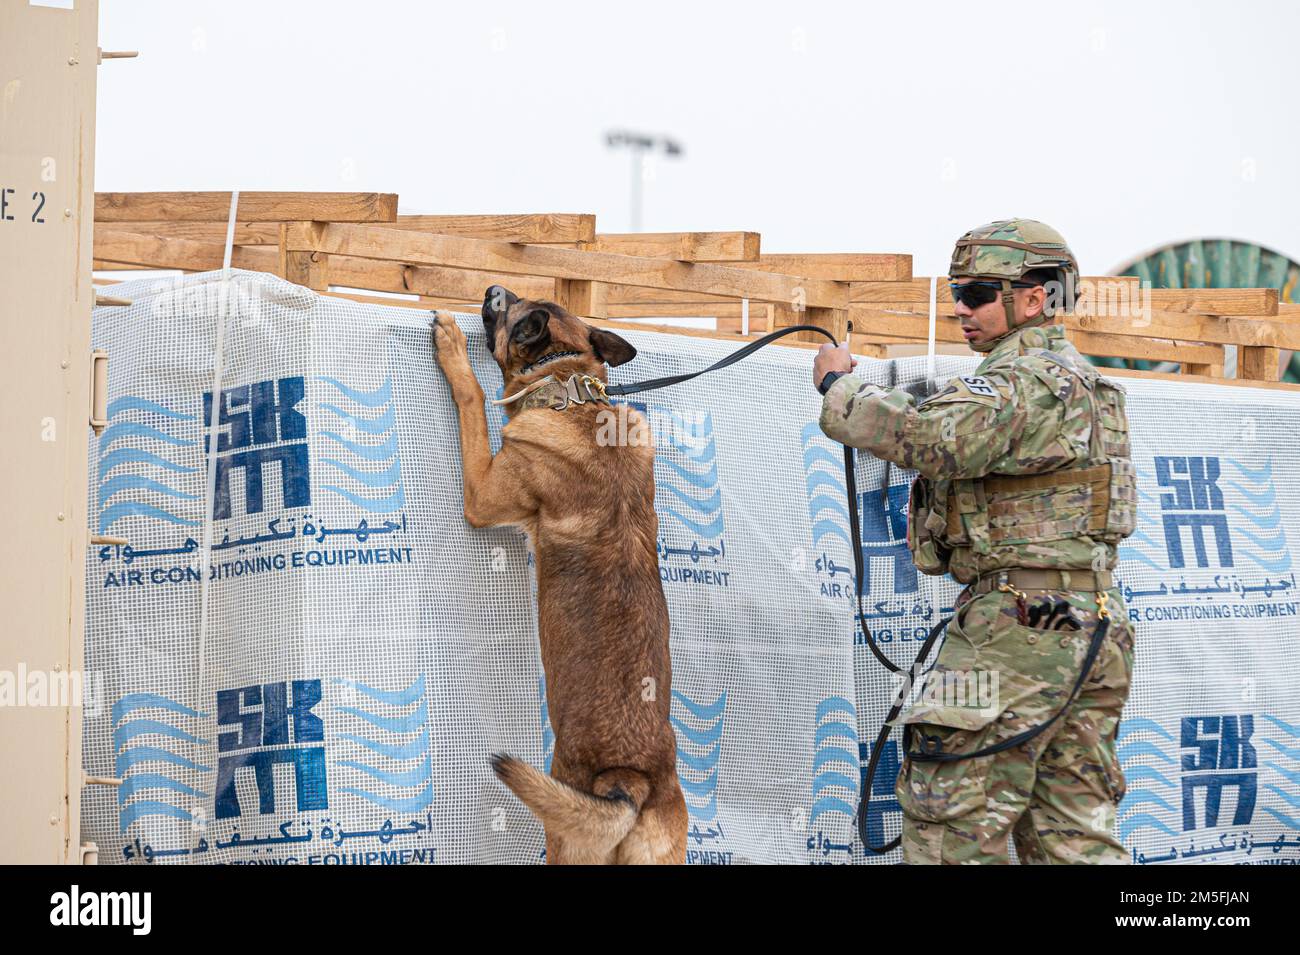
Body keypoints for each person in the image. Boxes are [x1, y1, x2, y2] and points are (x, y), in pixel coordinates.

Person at [812, 219, 1137, 864]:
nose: (961, 307)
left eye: (979, 292)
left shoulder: (1024, 378)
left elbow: (935, 439)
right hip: (1089, 624)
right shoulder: (1088, 384)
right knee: (1072, 836)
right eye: (957, 291)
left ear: (1036, 299)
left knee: (949, 823)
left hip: (1016, 628)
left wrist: (839, 387)